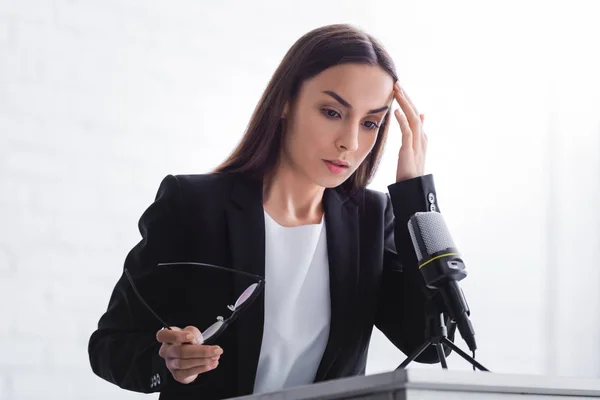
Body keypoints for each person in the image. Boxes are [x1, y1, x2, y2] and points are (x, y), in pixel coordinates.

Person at [88, 23, 451, 400]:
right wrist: (167, 361)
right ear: (285, 102)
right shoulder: (193, 204)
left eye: (370, 123)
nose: (350, 142)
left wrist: (415, 199)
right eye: (331, 112)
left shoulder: (373, 218)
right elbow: (110, 344)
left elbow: (433, 342)